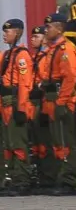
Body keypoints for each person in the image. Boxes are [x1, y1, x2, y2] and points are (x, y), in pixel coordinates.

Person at [43, 13, 76, 193]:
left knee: (66, 140)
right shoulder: (52, 49)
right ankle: (62, 175)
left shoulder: (66, 49)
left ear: (59, 28)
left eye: (49, 27)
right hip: (51, 98)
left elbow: (70, 78)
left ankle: (70, 178)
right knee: (57, 141)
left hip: (61, 98)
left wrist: (62, 102)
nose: (46, 30)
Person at [0, 19, 34, 194]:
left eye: (9, 31)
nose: (5, 34)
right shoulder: (7, 54)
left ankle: (22, 179)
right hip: (5, 103)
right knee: (8, 144)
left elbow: (24, 84)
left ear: (18, 33)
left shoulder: (22, 55)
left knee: (18, 143)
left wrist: (22, 108)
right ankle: (12, 177)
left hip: (15, 103)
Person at [28, 24, 53, 186]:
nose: (33, 39)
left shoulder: (47, 56)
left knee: (46, 141)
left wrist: (40, 86)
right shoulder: (34, 56)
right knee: (35, 142)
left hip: (44, 100)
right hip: (33, 101)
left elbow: (46, 78)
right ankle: (41, 176)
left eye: (37, 36)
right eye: (32, 36)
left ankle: (49, 176)